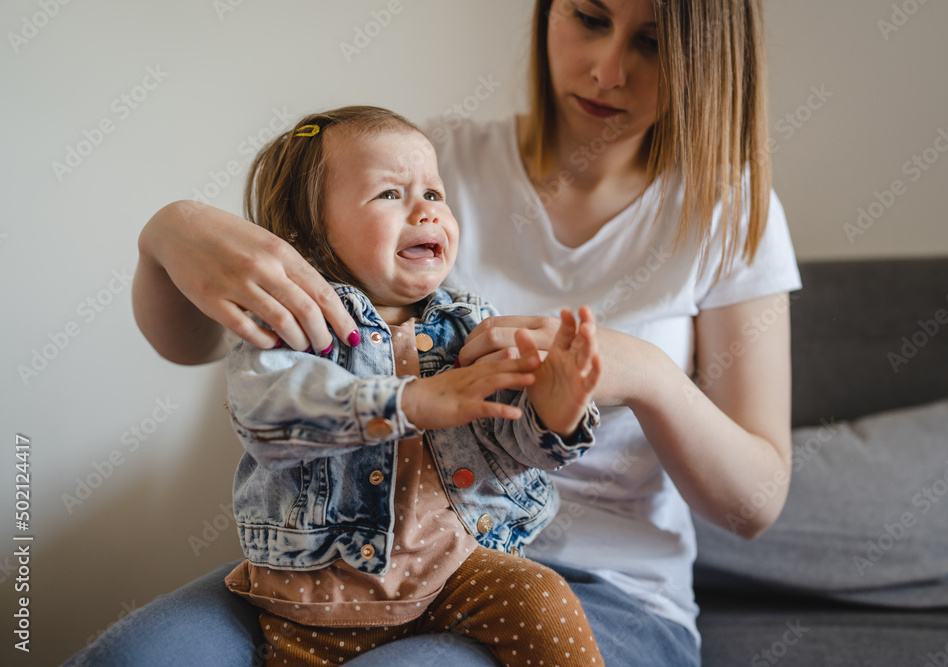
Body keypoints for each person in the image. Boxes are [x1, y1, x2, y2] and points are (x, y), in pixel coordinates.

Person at [70, 1, 800, 665]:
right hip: (349, 557)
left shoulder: (731, 211)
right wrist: (167, 235)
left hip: (602, 584)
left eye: (653, 41)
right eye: (588, 17)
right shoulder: (428, 153)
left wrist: (640, 375)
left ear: (709, 54)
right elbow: (214, 355)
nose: (608, 70)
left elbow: (755, 504)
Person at [223, 104, 604, 666]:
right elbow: (267, 414)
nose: (426, 210)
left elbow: (515, 448)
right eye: (389, 194)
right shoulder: (292, 324)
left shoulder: (470, 325)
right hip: (324, 592)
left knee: (541, 596)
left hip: (458, 566)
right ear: (309, 239)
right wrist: (410, 402)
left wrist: (553, 412)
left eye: (433, 192)